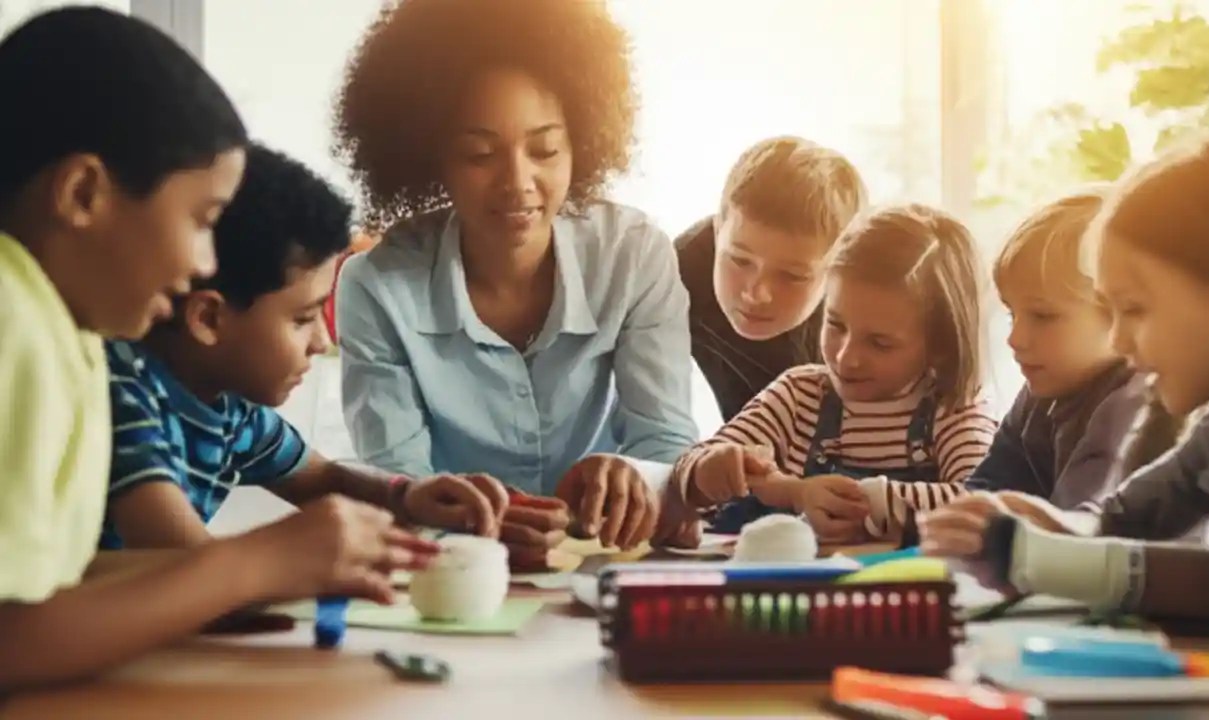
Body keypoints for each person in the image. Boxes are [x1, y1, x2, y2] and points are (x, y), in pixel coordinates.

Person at [0, 9, 432, 690]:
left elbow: (60, 583)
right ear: (83, 194)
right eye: (202, 221)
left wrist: (292, 559)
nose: (205, 262)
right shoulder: (13, 319)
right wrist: (253, 565)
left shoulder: (70, 333)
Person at [334, 0, 698, 563]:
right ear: (434, 156)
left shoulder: (633, 256)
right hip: (459, 566)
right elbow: (397, 483)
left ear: (581, 142)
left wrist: (639, 479)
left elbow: (668, 444)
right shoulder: (377, 287)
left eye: (545, 149)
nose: (518, 181)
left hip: (602, 561)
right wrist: (476, 522)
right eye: (480, 154)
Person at [921, 138, 1209, 612]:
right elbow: (1124, 521)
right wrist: (1045, 525)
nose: (1118, 341)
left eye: (1134, 310)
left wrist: (1053, 560)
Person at [101, 144, 504, 551]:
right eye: (303, 319)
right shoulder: (124, 395)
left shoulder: (233, 410)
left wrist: (407, 495)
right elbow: (188, 563)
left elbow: (323, 478)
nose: (321, 342)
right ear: (207, 319)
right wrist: (300, 552)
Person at [659, 205, 998, 545]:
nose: (846, 357)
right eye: (836, 325)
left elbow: (987, 503)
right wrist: (718, 472)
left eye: (879, 343)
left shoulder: (954, 408)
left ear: (941, 347)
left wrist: (865, 501)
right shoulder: (799, 395)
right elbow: (686, 471)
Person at [964, 190, 1146, 508]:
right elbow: (987, 490)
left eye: (1042, 316)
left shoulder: (1131, 405)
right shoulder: (1040, 390)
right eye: (1011, 314)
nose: (1015, 338)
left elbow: (1075, 525)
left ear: (1117, 313)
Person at [674, 136, 866, 421]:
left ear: (838, 269)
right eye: (739, 260)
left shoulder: (861, 328)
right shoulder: (674, 276)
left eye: (791, 276)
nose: (756, 293)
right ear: (718, 231)